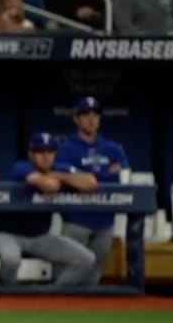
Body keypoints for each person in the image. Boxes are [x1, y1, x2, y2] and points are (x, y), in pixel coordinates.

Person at [0, 133, 100, 287]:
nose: (45, 156)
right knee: (11, 259)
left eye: (50, 151)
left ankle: (54, 292)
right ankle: (7, 294)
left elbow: (91, 183)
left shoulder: (59, 169)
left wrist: (58, 175)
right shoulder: (21, 167)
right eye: (40, 152)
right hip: (8, 233)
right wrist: (62, 178)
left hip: (39, 236)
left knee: (86, 259)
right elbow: (49, 186)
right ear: (31, 154)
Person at [54, 96, 129, 278]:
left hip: (104, 222)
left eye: (95, 115)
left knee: (94, 276)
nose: (91, 119)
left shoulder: (113, 149)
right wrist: (103, 174)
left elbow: (122, 179)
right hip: (75, 221)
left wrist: (84, 176)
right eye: (85, 114)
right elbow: (63, 178)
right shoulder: (65, 149)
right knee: (65, 278)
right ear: (76, 118)